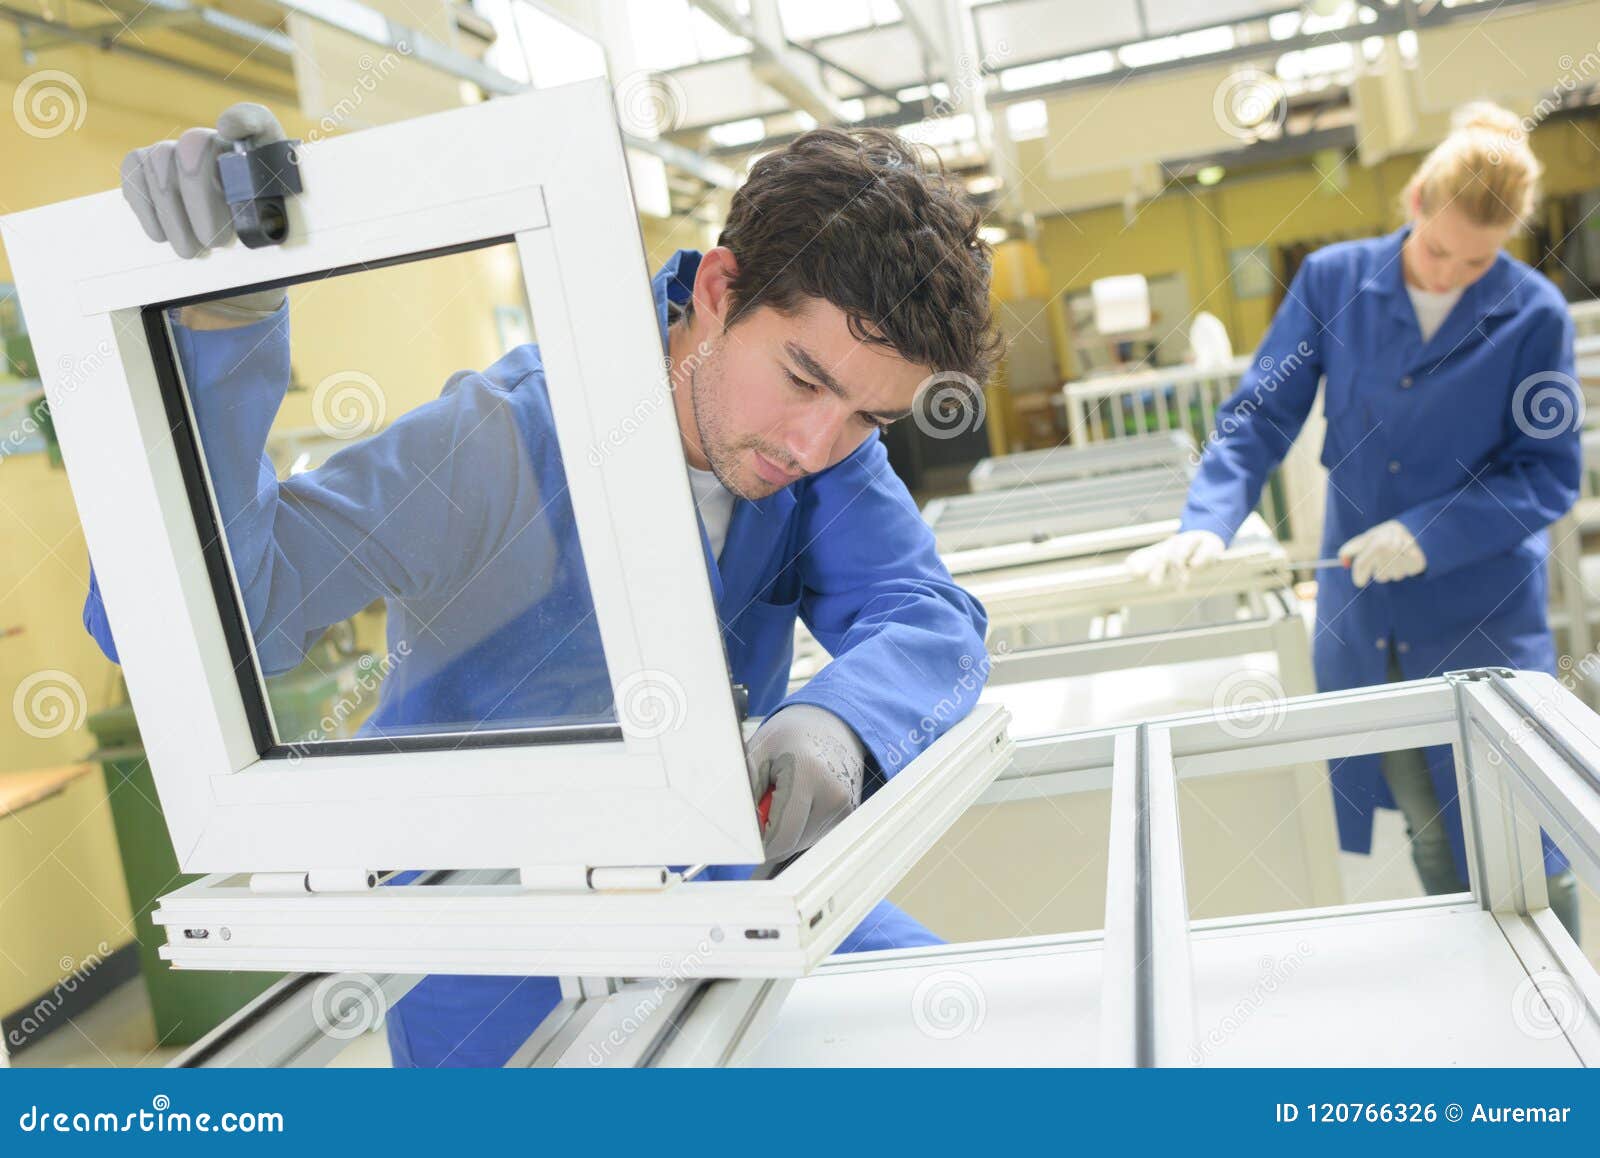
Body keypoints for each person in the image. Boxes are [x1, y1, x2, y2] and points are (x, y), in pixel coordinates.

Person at [84, 104, 1002, 1065]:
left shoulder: (826, 459)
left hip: (724, 880)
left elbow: (931, 618)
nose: (816, 446)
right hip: (489, 924)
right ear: (723, 288)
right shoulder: (504, 442)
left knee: (980, 1041)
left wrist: (841, 722)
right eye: (804, 380)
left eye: (869, 417)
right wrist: (217, 330)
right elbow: (199, 622)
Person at [1128, 102, 1582, 936]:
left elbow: (1547, 474)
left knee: (1531, 849)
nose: (1449, 275)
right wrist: (1209, 518)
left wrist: (1430, 532)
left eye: (1476, 261)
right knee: (1435, 842)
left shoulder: (1534, 314)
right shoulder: (1335, 282)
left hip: (1481, 623)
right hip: (1370, 625)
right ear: (1413, 200)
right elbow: (1262, 413)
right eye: (1440, 249)